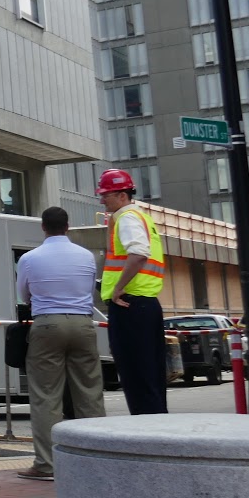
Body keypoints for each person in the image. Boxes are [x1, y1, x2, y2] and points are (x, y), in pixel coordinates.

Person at [14, 207, 104, 481]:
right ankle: (97, 458)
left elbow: (23, 294)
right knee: (89, 392)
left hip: (47, 324)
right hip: (83, 324)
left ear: (43, 227)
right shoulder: (86, 256)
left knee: (45, 396)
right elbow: (89, 290)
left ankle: (47, 464)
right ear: (68, 227)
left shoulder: (30, 258)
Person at [96, 169, 168, 415]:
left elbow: (138, 254)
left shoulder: (126, 217)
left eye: (106, 194)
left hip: (130, 304)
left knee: (135, 375)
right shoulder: (142, 217)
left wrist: (117, 289)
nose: (102, 199)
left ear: (122, 195)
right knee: (150, 375)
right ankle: (157, 429)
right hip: (146, 303)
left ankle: (146, 434)